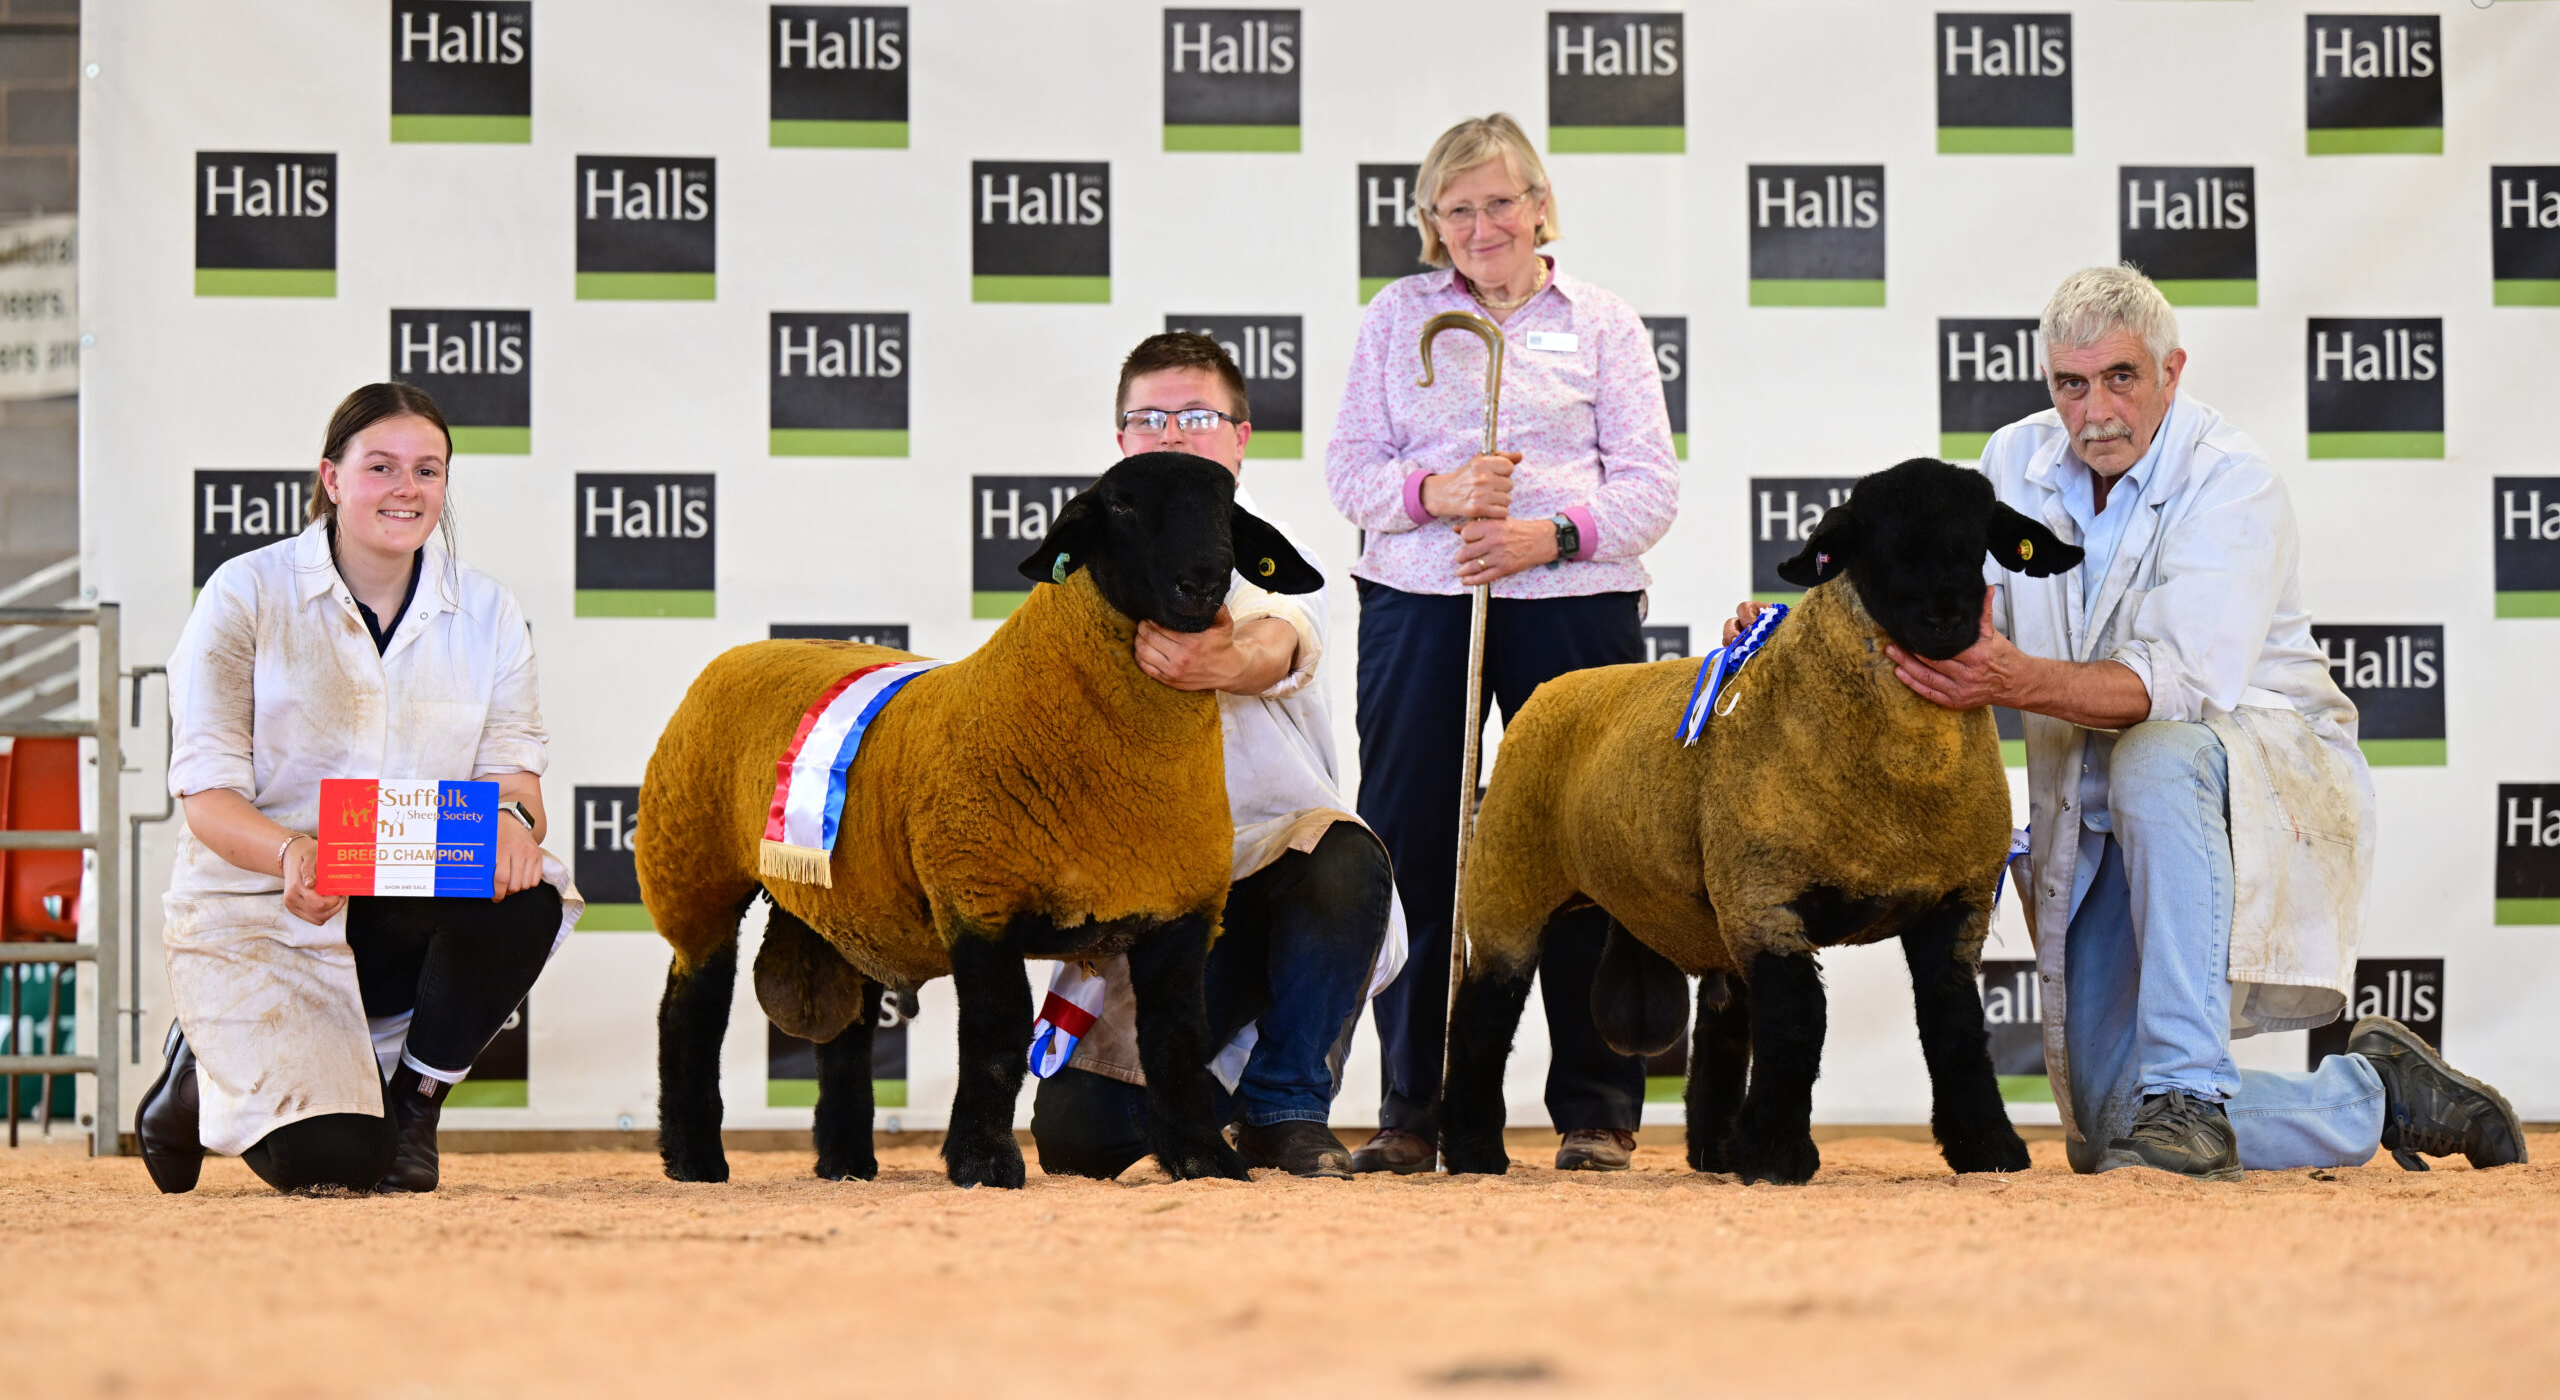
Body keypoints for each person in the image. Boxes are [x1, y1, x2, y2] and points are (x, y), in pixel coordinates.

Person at [1725, 265, 2525, 1179]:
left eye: (2121, 378)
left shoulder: (2233, 483)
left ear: (2172, 372)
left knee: (2155, 755)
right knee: (2113, 1134)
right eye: (2071, 384)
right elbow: (1914, 588)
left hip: (2247, 774)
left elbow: (2178, 684)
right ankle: (2376, 1094)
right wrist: (1788, 632)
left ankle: (2187, 1086)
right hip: (2092, 805)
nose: (2095, 409)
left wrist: (2014, 678)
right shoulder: (2008, 464)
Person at [1325, 114, 1680, 1174]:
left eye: (1498, 203)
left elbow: (1651, 487)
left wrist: (1549, 533)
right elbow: (1348, 472)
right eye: (1456, 208)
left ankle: (1596, 1106)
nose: (1480, 225)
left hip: (1572, 599)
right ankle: (1413, 1106)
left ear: (1538, 207)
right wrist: (1432, 492)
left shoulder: (1603, 321)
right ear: (1431, 222)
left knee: (1583, 844)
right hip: (1422, 603)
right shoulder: (1397, 318)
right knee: (1416, 842)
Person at [136, 383, 583, 1195]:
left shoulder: (488, 611)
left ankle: (415, 1108)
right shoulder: (244, 594)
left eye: (427, 471)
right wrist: (293, 854)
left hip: (397, 903)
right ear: (332, 479)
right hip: (265, 908)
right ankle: (198, 1067)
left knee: (528, 894)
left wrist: (516, 823)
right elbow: (206, 795)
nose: (406, 490)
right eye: (380, 468)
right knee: (335, 1168)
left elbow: (514, 773)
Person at [1027, 331, 1404, 1181]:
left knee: (1340, 851)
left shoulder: (1267, 575)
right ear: (1120, 439)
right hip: (1147, 912)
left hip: (1267, 893)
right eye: (1149, 416)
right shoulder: (1071, 590)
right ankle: (1210, 1106)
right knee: (1083, 1141)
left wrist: (1225, 660)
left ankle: (1285, 1108)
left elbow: (1282, 638)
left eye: (1196, 415)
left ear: (1240, 438)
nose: (1170, 432)